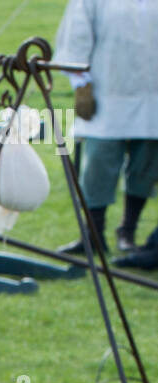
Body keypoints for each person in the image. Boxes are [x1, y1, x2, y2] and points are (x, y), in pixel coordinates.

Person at [54, 0, 158, 254]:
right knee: (98, 165)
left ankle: (127, 231)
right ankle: (93, 235)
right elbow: (76, 36)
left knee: (145, 166)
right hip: (106, 92)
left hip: (152, 95)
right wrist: (81, 83)